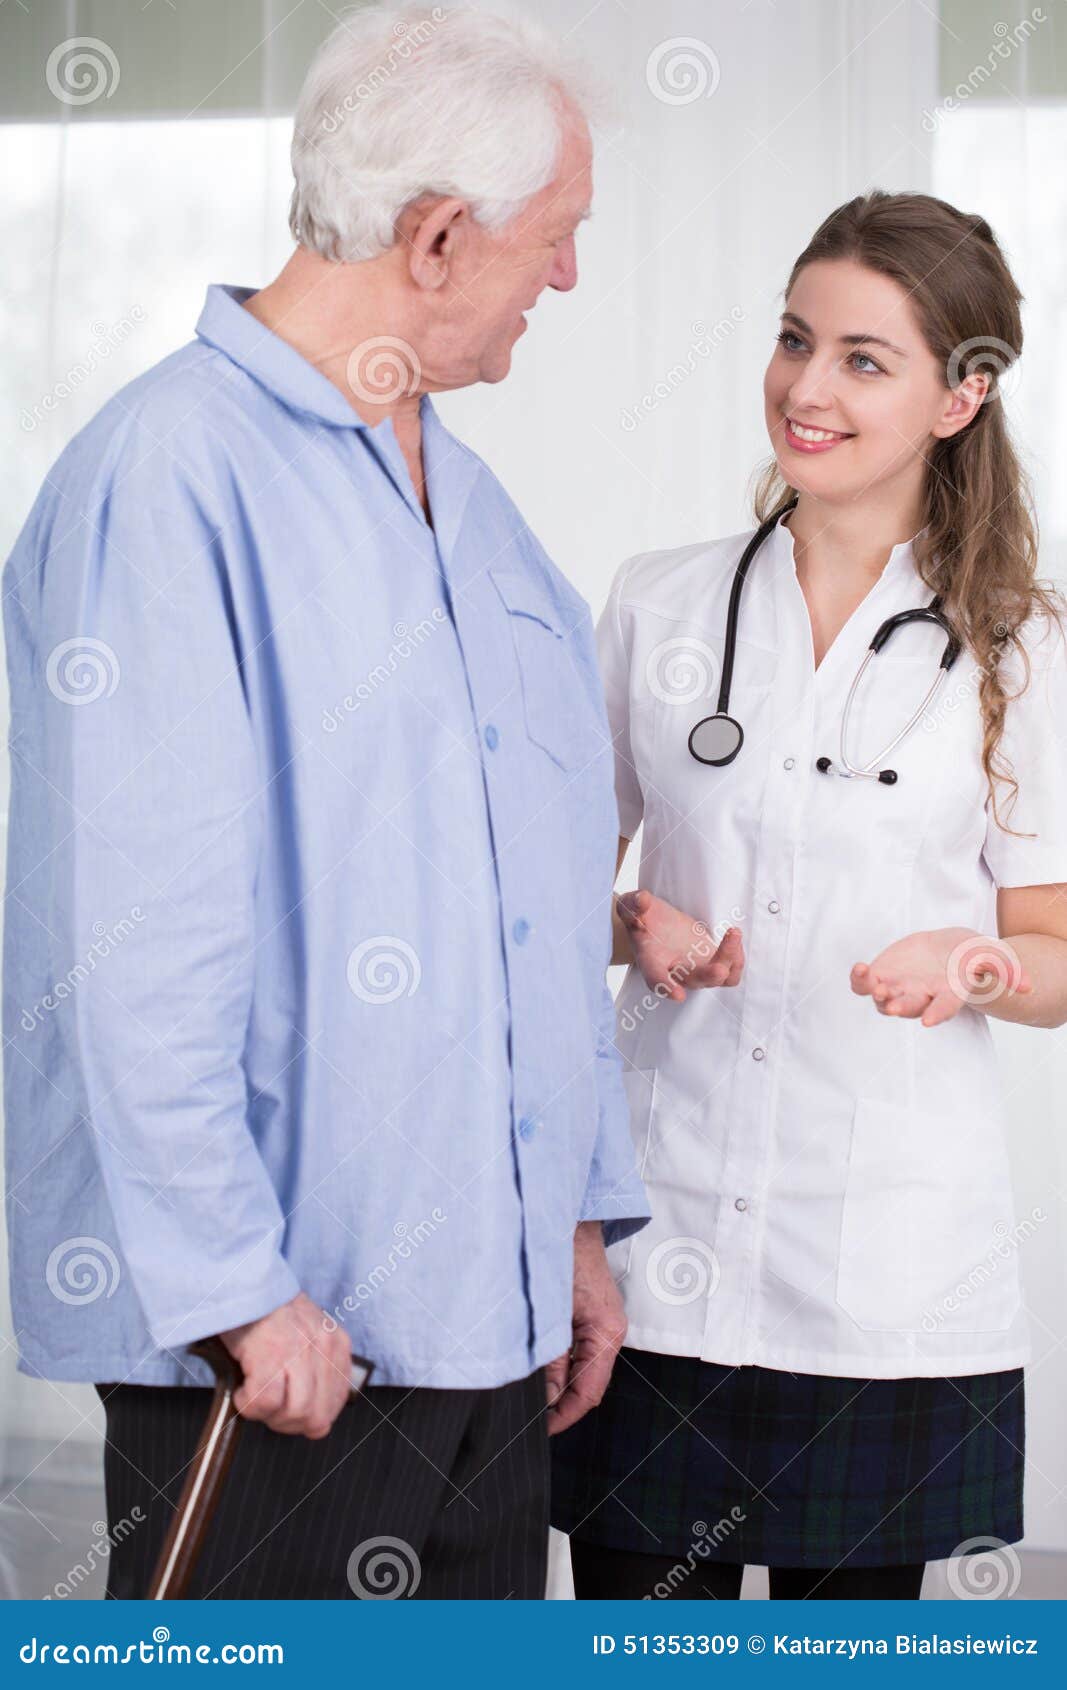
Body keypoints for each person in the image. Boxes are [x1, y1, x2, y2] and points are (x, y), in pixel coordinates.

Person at [2, 5, 648, 1600]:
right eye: (553, 237)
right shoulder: (167, 480)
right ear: (438, 238)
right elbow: (135, 928)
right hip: (294, 1346)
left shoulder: (479, 514)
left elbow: (538, 893)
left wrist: (569, 1217)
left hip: (490, 1343)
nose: (564, 276)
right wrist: (232, 1287)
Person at [551, 190, 1067, 1601]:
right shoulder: (658, 604)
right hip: (661, 1251)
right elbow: (542, 900)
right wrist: (625, 923)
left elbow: (1053, 948)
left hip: (887, 1279)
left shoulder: (1020, 649)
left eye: (862, 357)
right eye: (794, 338)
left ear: (963, 396)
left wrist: (973, 961)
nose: (805, 385)